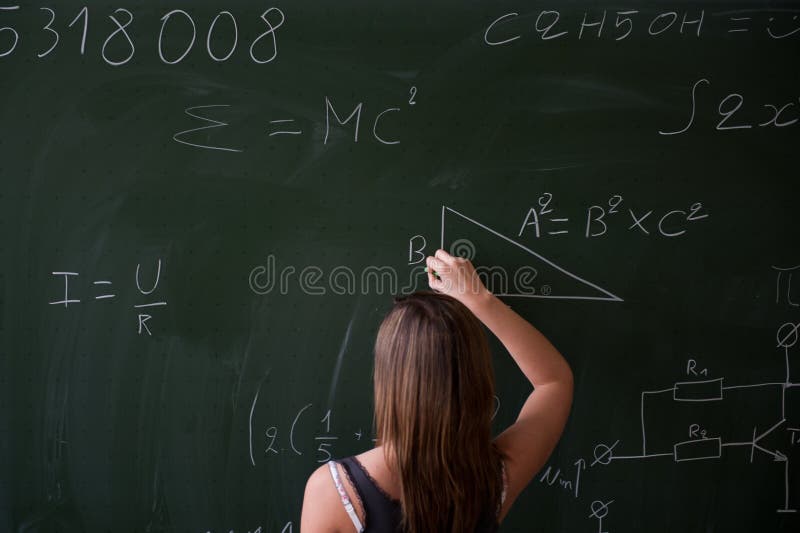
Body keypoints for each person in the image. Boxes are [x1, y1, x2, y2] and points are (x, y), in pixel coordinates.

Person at [301, 249, 574, 532]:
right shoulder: (495, 480)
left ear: (389, 381)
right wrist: (480, 300)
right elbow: (554, 381)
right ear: (475, 378)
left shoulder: (333, 493)